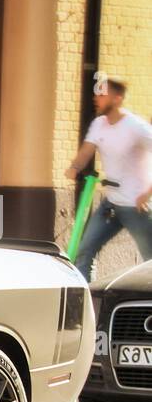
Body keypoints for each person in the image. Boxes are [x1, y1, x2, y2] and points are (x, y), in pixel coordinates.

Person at [65, 78, 152, 281]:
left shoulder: (136, 127)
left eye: (102, 94)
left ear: (117, 98)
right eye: (97, 94)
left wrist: (147, 194)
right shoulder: (99, 124)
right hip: (111, 204)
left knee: (149, 262)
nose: (96, 98)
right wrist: (75, 167)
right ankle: (87, 304)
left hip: (136, 206)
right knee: (85, 251)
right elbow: (87, 150)